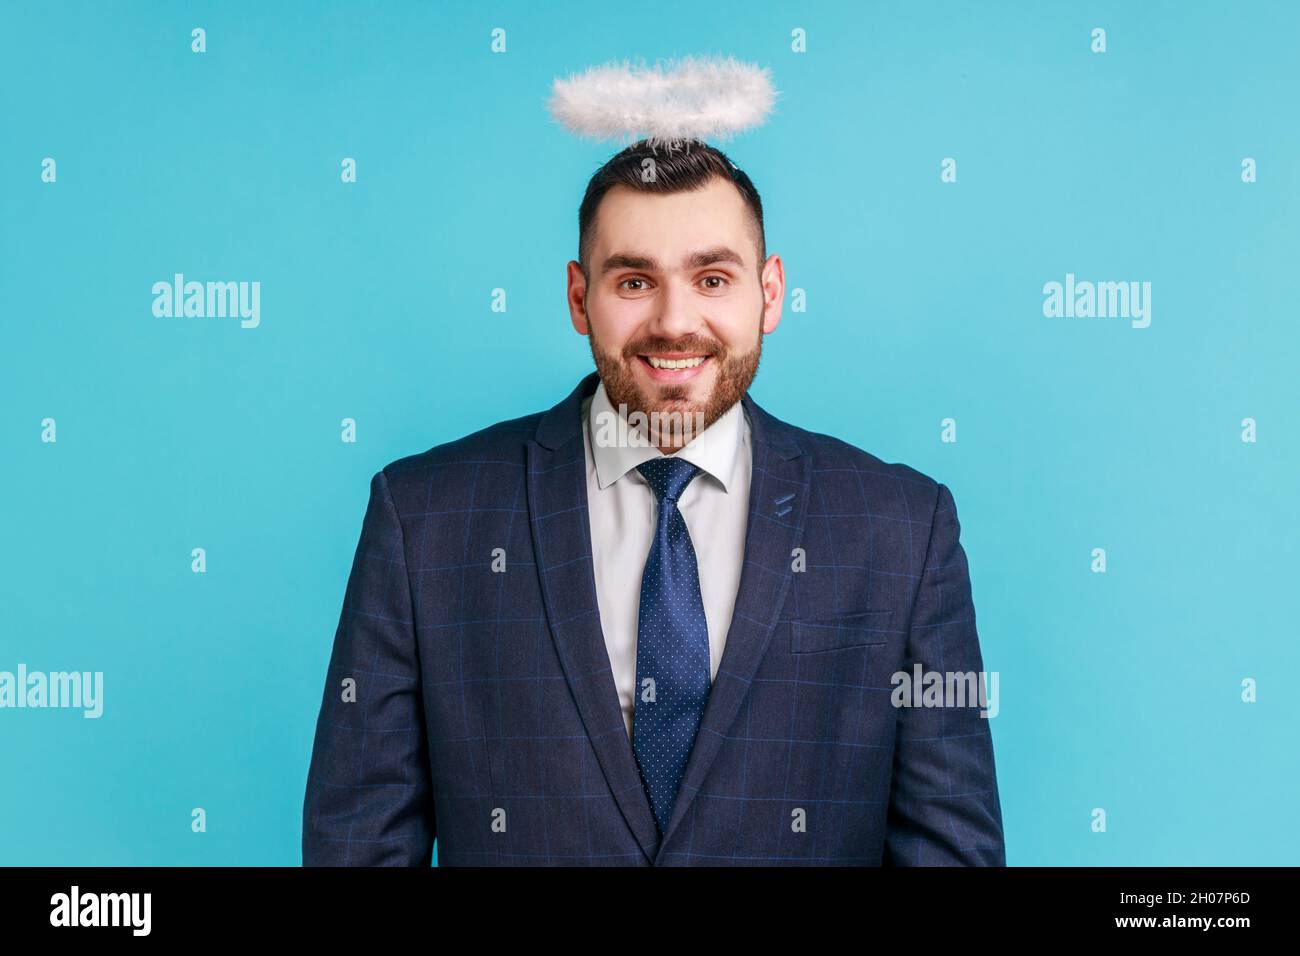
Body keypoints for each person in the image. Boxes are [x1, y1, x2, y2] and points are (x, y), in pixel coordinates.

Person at [301, 136, 1006, 866]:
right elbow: (358, 844)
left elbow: (950, 850)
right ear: (580, 297)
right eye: (635, 281)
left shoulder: (903, 530)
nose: (674, 322)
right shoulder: (421, 520)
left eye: (712, 279)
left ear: (769, 293)